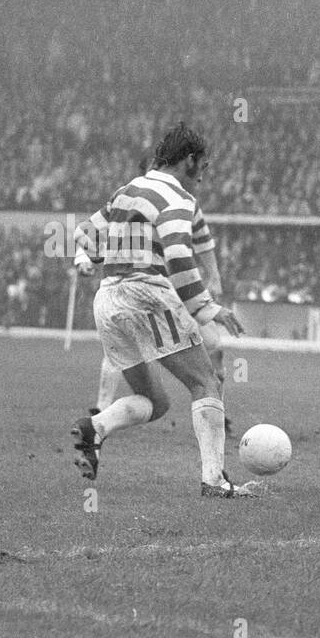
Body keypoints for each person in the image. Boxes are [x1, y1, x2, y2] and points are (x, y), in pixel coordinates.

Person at [67, 123, 256, 498]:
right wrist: (207, 307)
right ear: (189, 160)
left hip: (107, 300)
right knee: (207, 382)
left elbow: (84, 234)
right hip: (146, 293)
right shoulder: (178, 198)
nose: (203, 177)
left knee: (157, 403)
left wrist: (101, 257)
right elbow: (179, 254)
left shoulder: (127, 190)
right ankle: (214, 482)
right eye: (203, 166)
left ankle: (96, 427)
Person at [88, 154, 234, 437]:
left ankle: (218, 415)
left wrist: (213, 276)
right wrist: (88, 257)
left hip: (182, 292)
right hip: (150, 295)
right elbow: (93, 234)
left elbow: (203, 241)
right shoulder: (129, 201)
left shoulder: (185, 203)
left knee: (215, 348)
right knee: (130, 356)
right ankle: (100, 410)